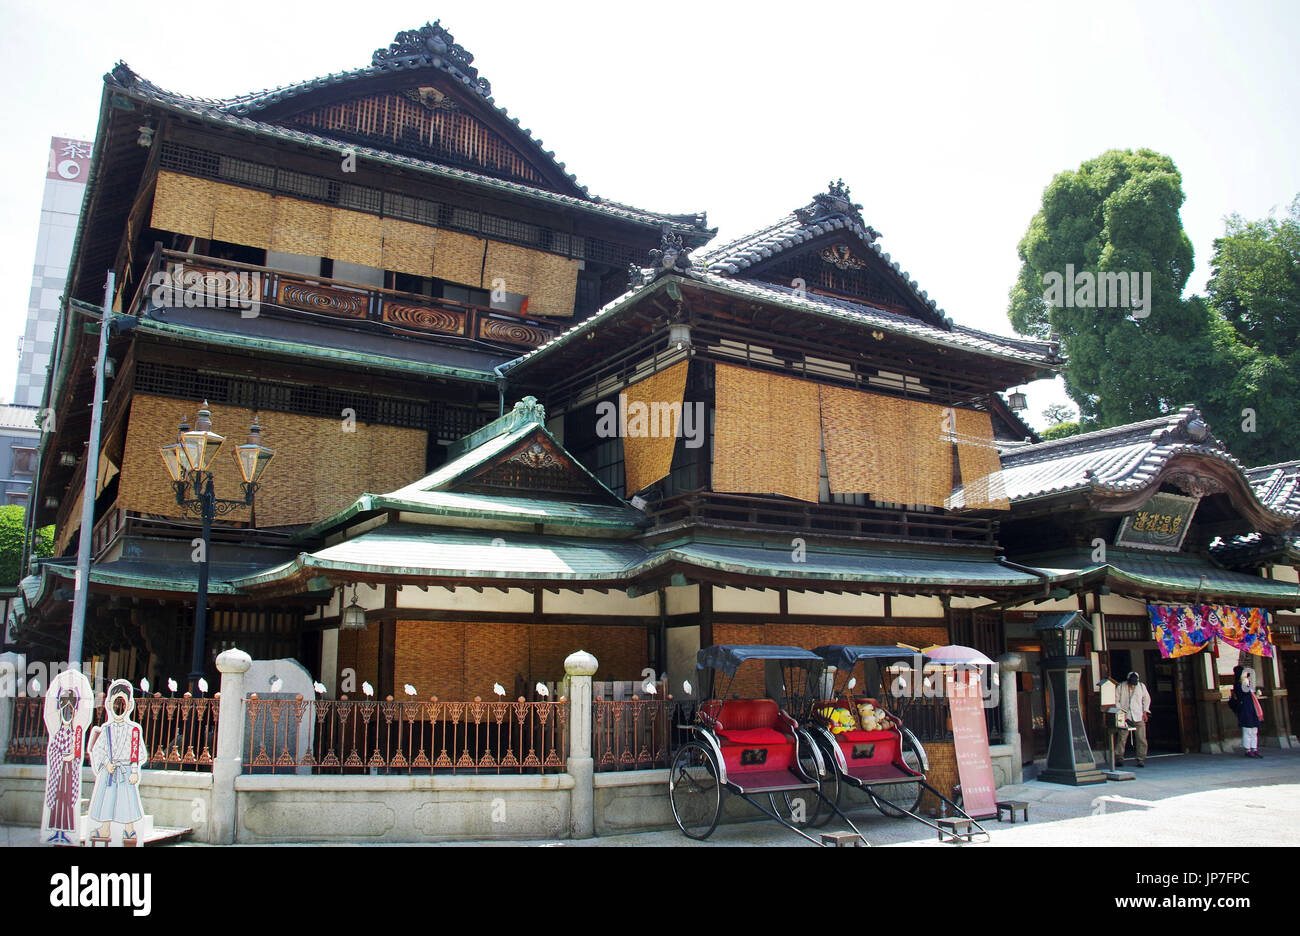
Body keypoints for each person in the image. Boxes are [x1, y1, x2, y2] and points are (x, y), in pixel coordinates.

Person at [1113, 671, 1151, 768]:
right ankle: (1119, 757)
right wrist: (1121, 713)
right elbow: (1116, 700)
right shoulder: (1121, 686)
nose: (1132, 685)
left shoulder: (1141, 686)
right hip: (1125, 715)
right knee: (1121, 738)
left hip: (1138, 715)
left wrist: (1145, 711)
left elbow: (1146, 699)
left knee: (1141, 738)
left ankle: (1141, 758)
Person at [1230, 665, 1264, 758]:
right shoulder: (1238, 684)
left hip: (1252, 708)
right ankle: (1248, 749)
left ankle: (1254, 748)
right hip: (1245, 709)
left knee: (1254, 730)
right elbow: (1244, 693)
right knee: (1247, 730)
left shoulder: (1246, 683)